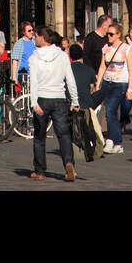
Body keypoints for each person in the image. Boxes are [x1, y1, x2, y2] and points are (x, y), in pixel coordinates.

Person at [28, 25, 80, 182]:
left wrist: (33, 102)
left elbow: (34, 83)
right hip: (59, 98)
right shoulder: (63, 55)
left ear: (42, 38)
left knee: (39, 136)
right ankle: (69, 163)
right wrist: (75, 100)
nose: (34, 39)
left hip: (42, 98)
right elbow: (70, 79)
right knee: (64, 134)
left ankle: (40, 170)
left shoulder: (34, 57)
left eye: (35, 36)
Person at [94, 21, 132, 154]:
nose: (108, 37)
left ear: (118, 34)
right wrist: (98, 84)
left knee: (111, 110)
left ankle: (114, 141)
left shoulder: (126, 49)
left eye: (111, 34)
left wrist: (130, 89)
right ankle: (114, 141)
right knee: (108, 111)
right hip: (107, 82)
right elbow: (102, 66)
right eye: (107, 34)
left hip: (120, 83)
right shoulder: (106, 48)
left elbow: (131, 70)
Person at [69, 43, 103, 159]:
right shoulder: (89, 70)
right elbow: (93, 87)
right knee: (91, 128)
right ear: (82, 55)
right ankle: (96, 149)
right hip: (87, 105)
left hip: (71, 105)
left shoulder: (67, 70)